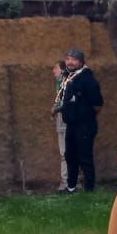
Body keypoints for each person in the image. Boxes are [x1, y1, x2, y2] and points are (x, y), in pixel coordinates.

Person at [57, 48, 103, 194]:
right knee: (70, 156)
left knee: (85, 157)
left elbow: (97, 104)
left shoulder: (88, 79)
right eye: (68, 59)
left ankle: (89, 190)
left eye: (74, 59)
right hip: (70, 124)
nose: (70, 62)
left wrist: (85, 115)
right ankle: (71, 188)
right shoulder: (68, 78)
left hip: (85, 125)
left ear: (81, 62)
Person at [51, 60, 70, 191]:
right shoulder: (61, 83)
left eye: (56, 68)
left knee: (64, 151)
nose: (54, 71)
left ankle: (66, 182)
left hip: (64, 119)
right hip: (65, 119)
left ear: (62, 70)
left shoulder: (63, 82)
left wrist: (54, 109)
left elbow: (63, 102)